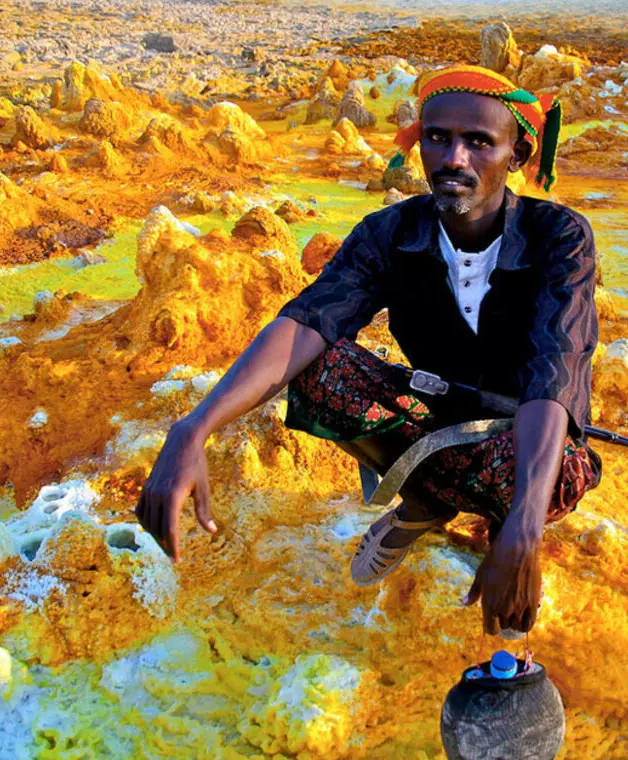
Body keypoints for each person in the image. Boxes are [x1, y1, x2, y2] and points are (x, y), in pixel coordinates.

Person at [136, 65, 602, 637]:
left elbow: (556, 365)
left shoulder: (561, 236)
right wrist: (194, 426)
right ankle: (425, 504)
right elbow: (309, 320)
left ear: (516, 152)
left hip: (527, 425)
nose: (454, 158)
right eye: (438, 137)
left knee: (560, 474)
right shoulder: (389, 232)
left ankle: (496, 523)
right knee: (318, 372)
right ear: (419, 142)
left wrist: (524, 531)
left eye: (480, 141)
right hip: (437, 410)